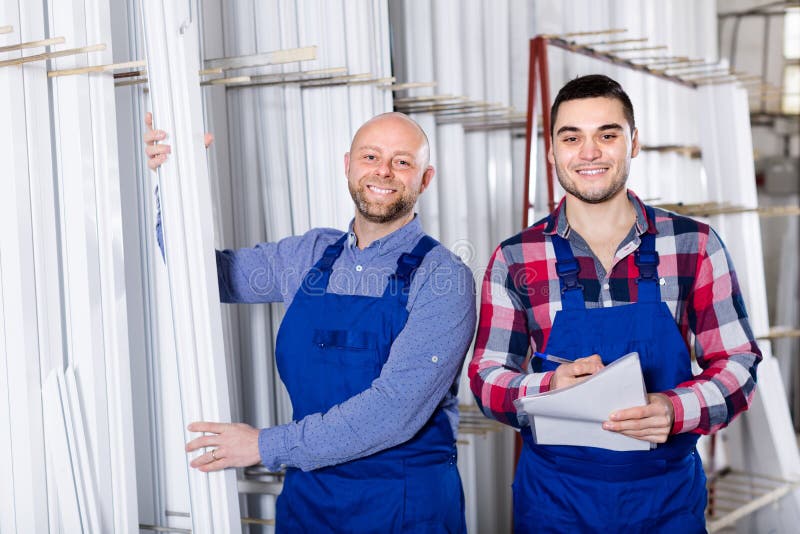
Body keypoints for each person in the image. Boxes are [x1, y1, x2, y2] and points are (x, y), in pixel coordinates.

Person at [144, 111, 476, 532]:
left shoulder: (444, 277)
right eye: (370, 156)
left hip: (404, 506)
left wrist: (263, 445)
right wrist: (176, 178)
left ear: (425, 179)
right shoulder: (308, 255)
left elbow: (393, 410)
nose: (383, 171)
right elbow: (204, 277)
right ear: (348, 165)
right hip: (309, 503)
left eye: (402, 161)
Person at [468, 74, 761, 533]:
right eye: (572, 138)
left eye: (607, 135)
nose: (589, 153)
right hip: (555, 505)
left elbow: (738, 364)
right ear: (552, 151)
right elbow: (486, 376)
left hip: (665, 503)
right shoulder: (516, 258)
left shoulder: (695, 245)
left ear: (633, 142)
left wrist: (674, 409)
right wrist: (549, 388)